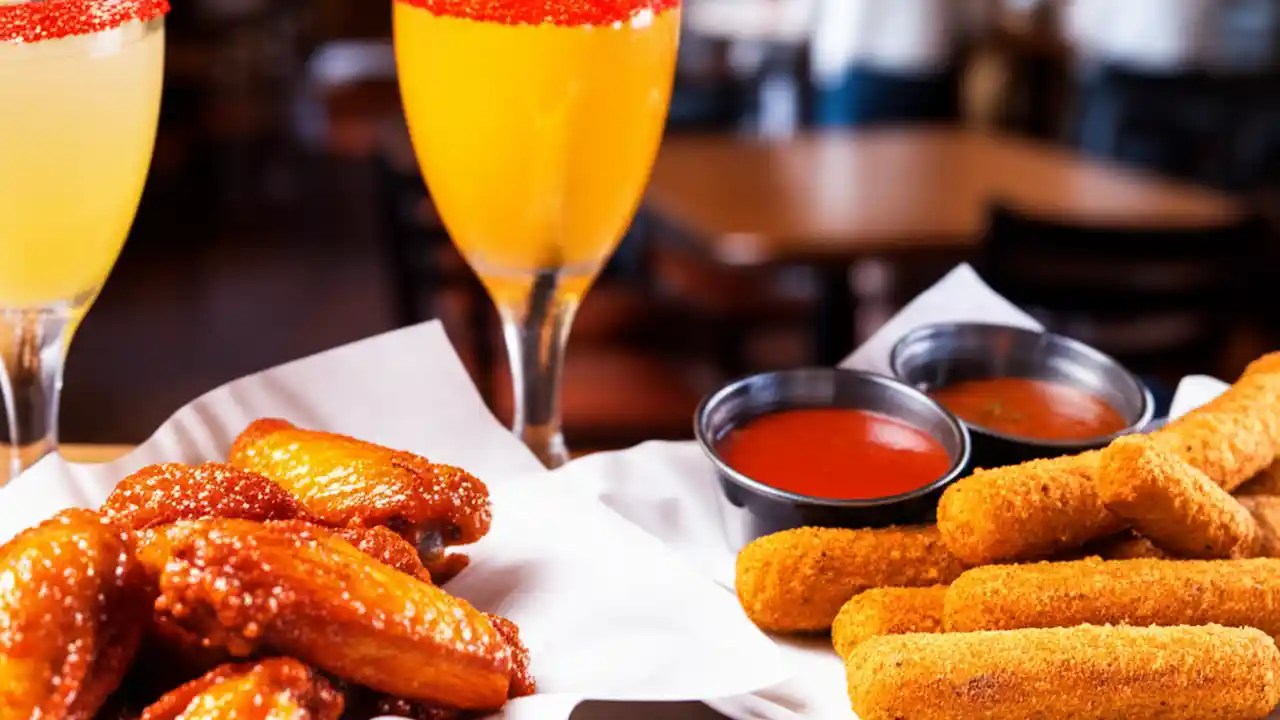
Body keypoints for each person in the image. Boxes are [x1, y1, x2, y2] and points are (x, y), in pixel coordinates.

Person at [808, 0, 998, 127]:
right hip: (929, 60)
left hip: (853, 65)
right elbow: (978, 17)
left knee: (842, 179)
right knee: (928, 178)